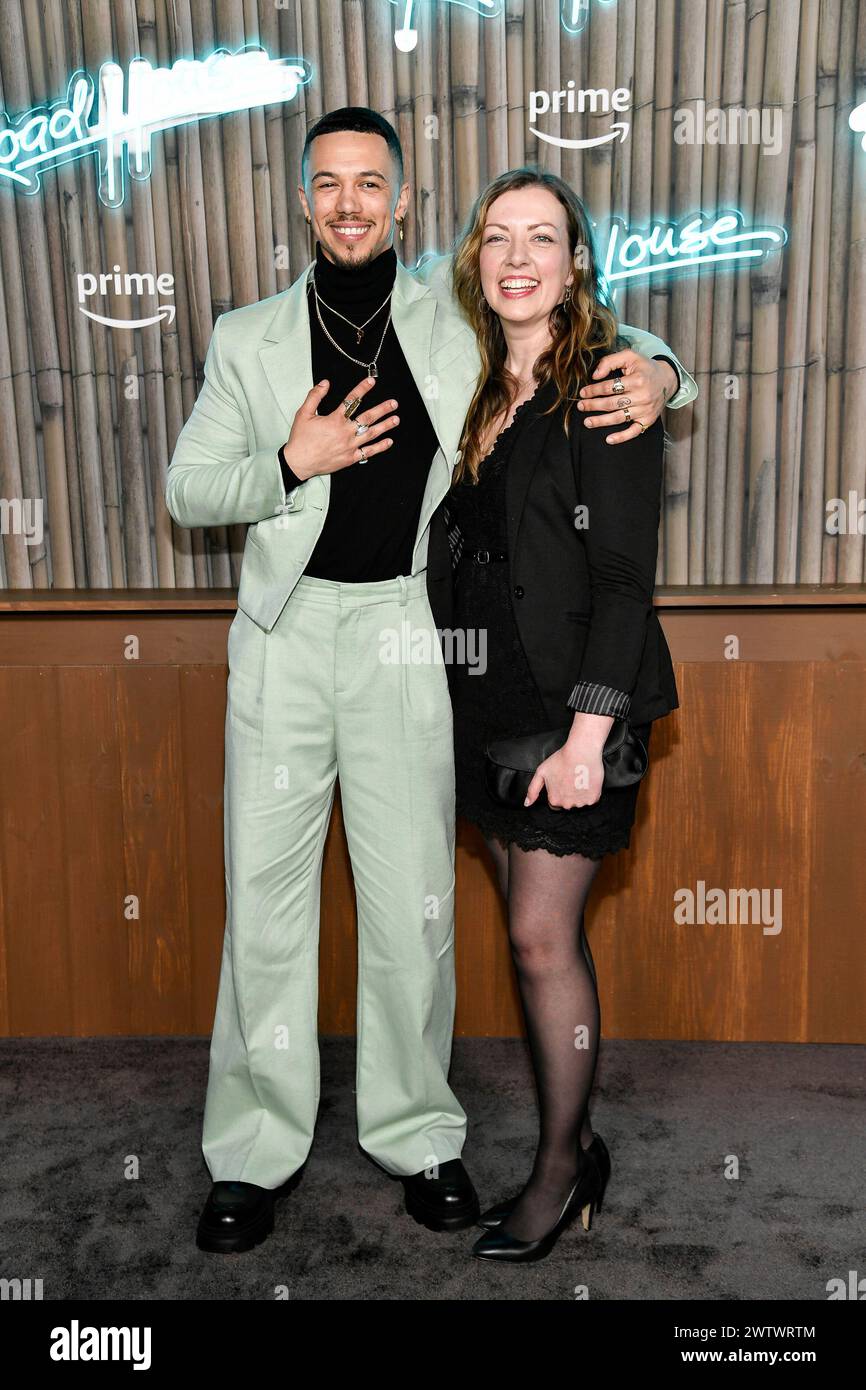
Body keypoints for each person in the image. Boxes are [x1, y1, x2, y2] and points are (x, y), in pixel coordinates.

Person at [164, 107, 694, 1255]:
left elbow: (573, 323)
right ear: (303, 201)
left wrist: (663, 371)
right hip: (284, 637)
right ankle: (253, 1149)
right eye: (327, 184)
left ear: (402, 204)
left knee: (415, 903)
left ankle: (415, 1133)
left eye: (371, 183)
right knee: (265, 905)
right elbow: (186, 489)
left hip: (413, 635)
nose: (349, 201)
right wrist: (284, 464)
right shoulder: (244, 336)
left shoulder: (450, 316)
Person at [426, 168, 680, 1263]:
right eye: (498, 238)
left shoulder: (610, 387)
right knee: (532, 931)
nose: (519, 257)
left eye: (542, 238)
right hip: (476, 705)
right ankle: (574, 1144)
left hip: (571, 714)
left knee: (538, 939)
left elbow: (625, 582)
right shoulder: (473, 382)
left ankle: (563, 1162)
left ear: (575, 262)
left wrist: (586, 736)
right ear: (475, 261)